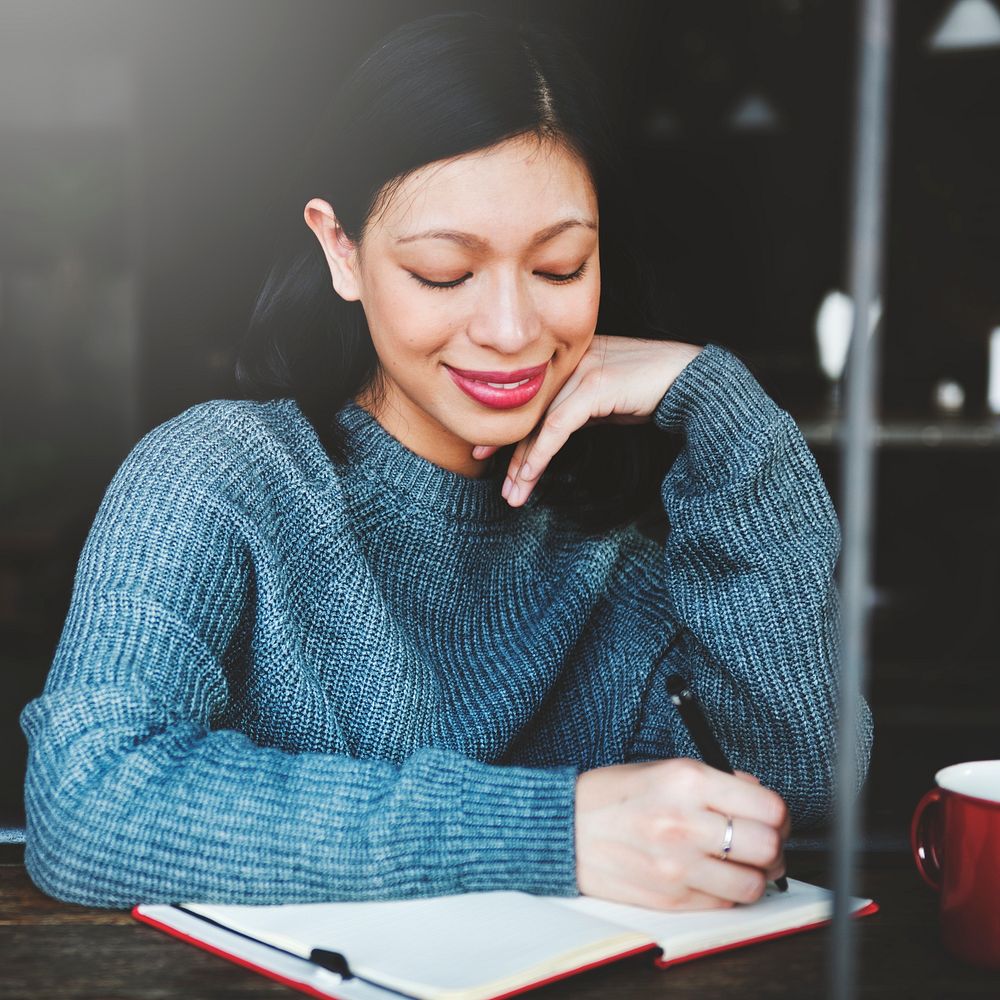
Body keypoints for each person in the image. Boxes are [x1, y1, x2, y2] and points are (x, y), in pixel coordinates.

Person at [19, 10, 872, 911]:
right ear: (339, 248)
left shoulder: (626, 533)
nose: (510, 332)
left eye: (559, 266)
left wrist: (726, 411)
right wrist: (551, 833)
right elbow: (87, 807)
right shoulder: (218, 478)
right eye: (442, 272)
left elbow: (804, 789)